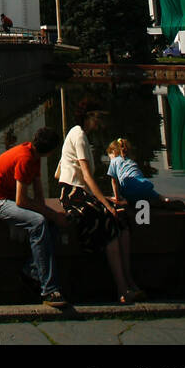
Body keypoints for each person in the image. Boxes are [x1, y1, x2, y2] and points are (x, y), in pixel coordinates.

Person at [57, 102, 143, 304]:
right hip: (73, 194)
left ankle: (129, 281)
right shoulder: (78, 136)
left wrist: (104, 200)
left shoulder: (79, 135)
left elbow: (64, 172)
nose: (99, 122)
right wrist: (105, 203)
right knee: (108, 220)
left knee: (121, 219)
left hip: (79, 193)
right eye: (96, 117)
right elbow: (86, 176)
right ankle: (122, 289)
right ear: (87, 117)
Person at [0, 127, 68, 307]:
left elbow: (38, 196)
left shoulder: (33, 155)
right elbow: (21, 200)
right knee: (38, 222)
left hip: (9, 199)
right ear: (51, 151)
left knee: (48, 223)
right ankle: (49, 290)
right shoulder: (26, 158)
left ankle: (31, 272)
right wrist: (51, 214)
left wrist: (52, 215)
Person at [106, 138, 185, 210]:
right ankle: (164, 199)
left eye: (110, 157)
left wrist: (117, 198)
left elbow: (114, 181)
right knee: (153, 195)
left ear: (113, 152)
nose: (110, 159)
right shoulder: (131, 161)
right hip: (144, 185)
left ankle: (136, 202)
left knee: (127, 191)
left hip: (129, 190)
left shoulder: (114, 161)